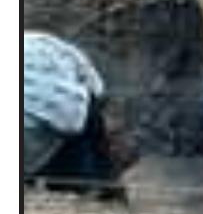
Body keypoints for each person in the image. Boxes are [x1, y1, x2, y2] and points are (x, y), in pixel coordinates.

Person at [23, 32, 135, 199]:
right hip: (73, 106)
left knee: (84, 179)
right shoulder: (35, 41)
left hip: (56, 120)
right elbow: (90, 78)